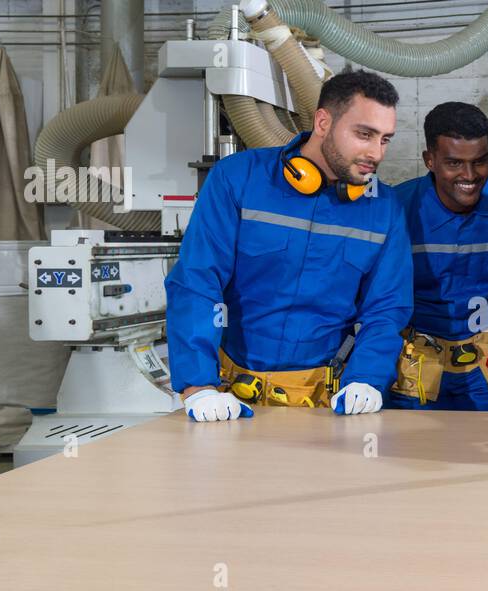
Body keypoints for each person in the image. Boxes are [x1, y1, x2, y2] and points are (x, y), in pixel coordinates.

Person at [166, 70, 412, 420]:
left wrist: (368, 379)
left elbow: (386, 309)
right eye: (364, 135)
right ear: (323, 122)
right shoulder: (238, 178)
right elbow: (196, 281)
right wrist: (198, 386)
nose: (376, 153)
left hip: (324, 406)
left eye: (385, 139)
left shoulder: (383, 208)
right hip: (228, 399)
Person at [388, 102, 488, 411]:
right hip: (415, 369)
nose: (469, 175)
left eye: (479, 161)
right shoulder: (396, 210)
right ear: (430, 160)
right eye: (454, 163)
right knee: (412, 456)